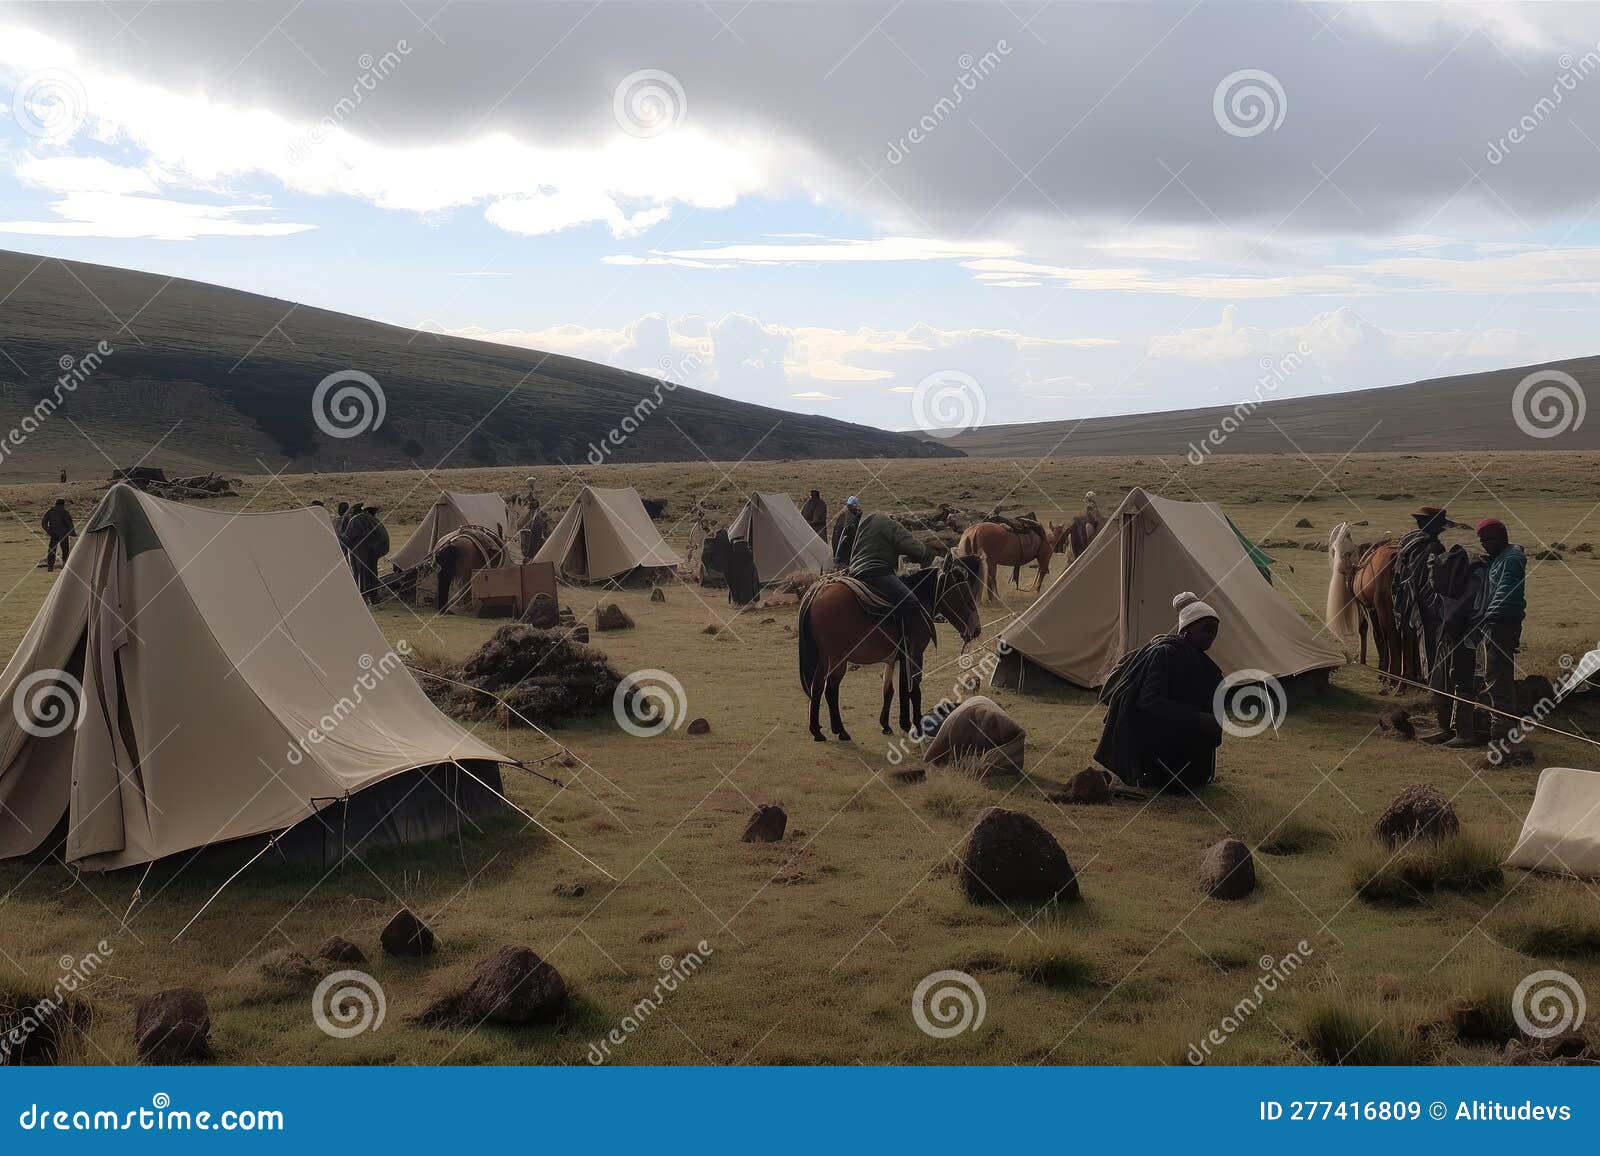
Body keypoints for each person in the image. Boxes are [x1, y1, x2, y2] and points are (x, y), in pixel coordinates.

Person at [1093, 593, 1225, 794]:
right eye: (1205, 630)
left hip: (1188, 749)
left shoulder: (1209, 668)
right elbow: (1149, 701)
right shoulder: (1163, 654)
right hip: (1159, 742)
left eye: (1214, 632)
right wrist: (1196, 717)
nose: (1211, 637)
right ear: (1185, 632)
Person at [841, 501, 934, 664]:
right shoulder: (888, 523)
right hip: (876, 572)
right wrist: (927, 552)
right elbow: (913, 548)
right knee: (911, 601)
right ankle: (908, 649)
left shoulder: (864, 524)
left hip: (855, 572)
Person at [1474, 517, 1528, 762]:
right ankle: (1510, 736)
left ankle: (1500, 742)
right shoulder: (1503, 558)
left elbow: (1504, 593)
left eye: (1490, 540)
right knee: (1502, 679)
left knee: (1496, 680)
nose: (1485, 545)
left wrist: (1488, 618)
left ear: (1502, 538)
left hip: (1500, 624)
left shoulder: (1511, 560)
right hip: (1502, 623)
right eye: (1483, 541)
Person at [1425, 544, 1486, 747]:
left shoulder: (1471, 581)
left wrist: (1451, 627)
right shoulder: (1452, 585)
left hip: (1468, 635)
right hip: (1454, 634)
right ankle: (1446, 728)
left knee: (1463, 677)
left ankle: (1464, 732)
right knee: (1448, 676)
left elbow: (1455, 616)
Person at [1394, 505, 1448, 680]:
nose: (1418, 523)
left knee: (1429, 638)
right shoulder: (1425, 547)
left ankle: (1429, 675)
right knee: (1429, 638)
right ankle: (1429, 676)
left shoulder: (1413, 545)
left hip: (1419, 599)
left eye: (1422, 521)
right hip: (1423, 600)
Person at [41, 499, 73, 572]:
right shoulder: (65, 512)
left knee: (52, 550)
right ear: (63, 504)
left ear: (55, 503)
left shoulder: (50, 511)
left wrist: (49, 530)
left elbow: (44, 522)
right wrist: (71, 533)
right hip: (64, 534)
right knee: (65, 551)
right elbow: (69, 524)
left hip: (54, 534)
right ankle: (65, 566)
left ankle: (50, 567)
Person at [831, 495, 863, 568]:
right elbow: (849, 530)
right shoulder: (846, 516)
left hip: (843, 542)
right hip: (843, 543)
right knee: (842, 562)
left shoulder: (848, 514)